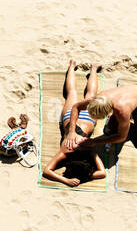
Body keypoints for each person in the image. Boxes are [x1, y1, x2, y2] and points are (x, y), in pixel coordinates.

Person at [42, 60, 108, 188]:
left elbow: (102, 173)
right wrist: (66, 179)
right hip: (69, 119)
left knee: (89, 94)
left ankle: (93, 68)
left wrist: (85, 175)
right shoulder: (65, 152)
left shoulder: (89, 151)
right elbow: (47, 171)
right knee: (71, 93)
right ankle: (72, 66)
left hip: (87, 120)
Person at [61, 78, 137, 154]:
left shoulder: (122, 111)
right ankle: (127, 122)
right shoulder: (98, 99)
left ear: (108, 112)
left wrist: (95, 141)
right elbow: (76, 107)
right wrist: (71, 131)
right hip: (132, 94)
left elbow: (121, 137)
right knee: (108, 131)